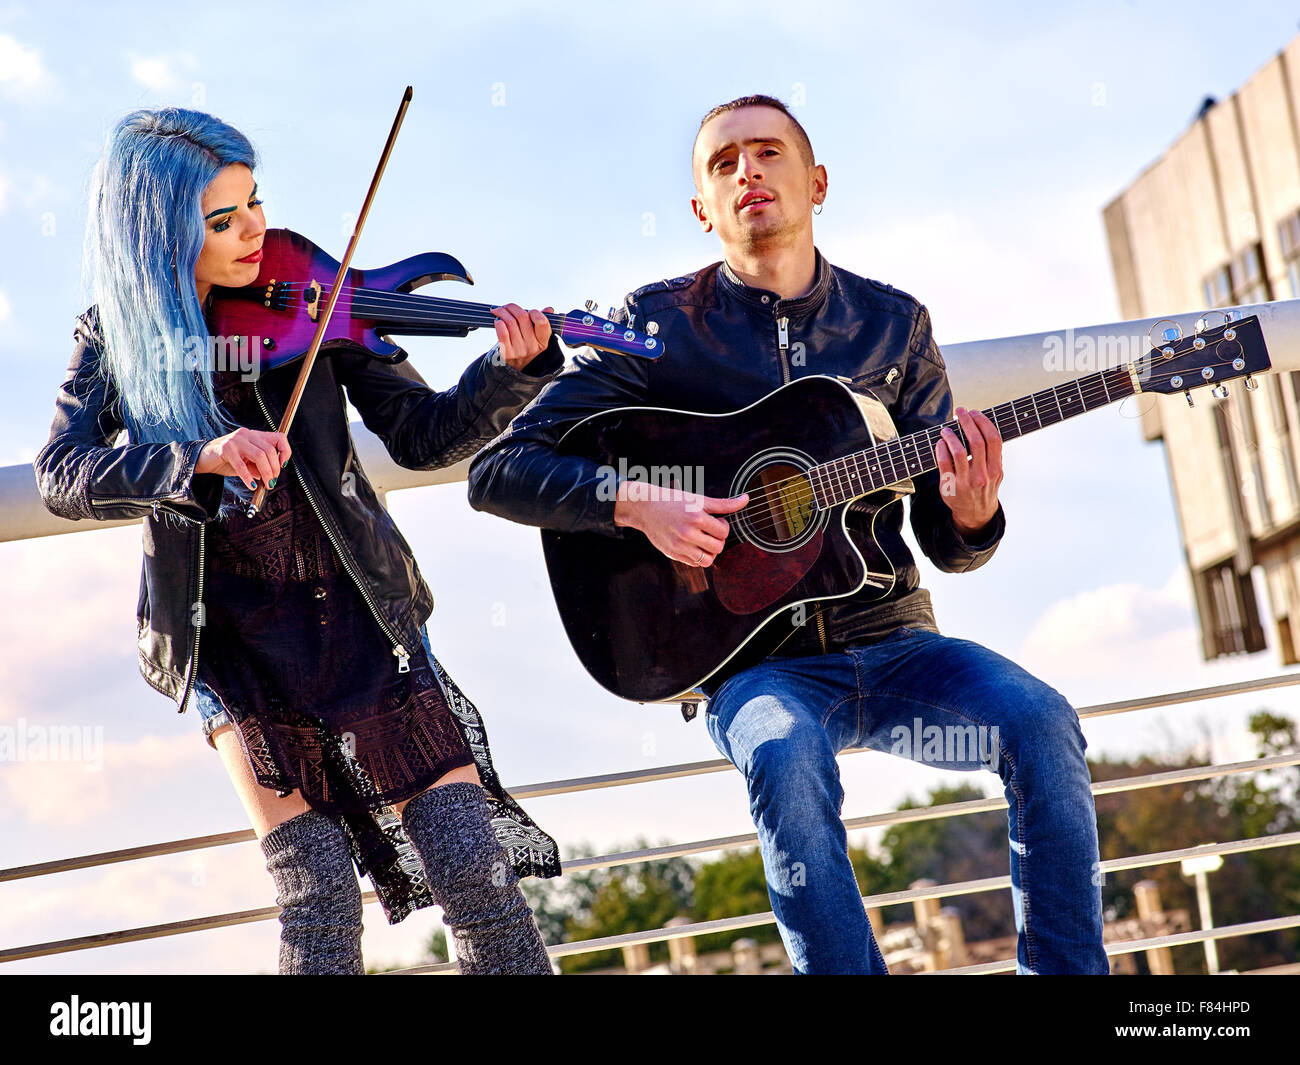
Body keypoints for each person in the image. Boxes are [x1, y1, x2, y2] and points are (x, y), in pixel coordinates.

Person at [467, 94, 1109, 974]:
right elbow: (497, 470)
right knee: (784, 753)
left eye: (767, 153)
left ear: (816, 182)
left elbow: (946, 538)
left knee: (1040, 721)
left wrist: (971, 511)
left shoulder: (894, 326)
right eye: (723, 164)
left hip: (895, 643)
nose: (747, 172)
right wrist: (635, 503)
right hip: (746, 667)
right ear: (702, 208)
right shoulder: (654, 327)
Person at [34, 107, 563, 975]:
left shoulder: (307, 283)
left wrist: (512, 373)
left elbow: (422, 432)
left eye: (255, 204)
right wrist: (195, 456)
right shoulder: (116, 334)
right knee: (316, 900)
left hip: (360, 618)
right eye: (222, 220)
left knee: (478, 874)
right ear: (158, 234)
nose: (256, 232)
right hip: (233, 643)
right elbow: (62, 473)